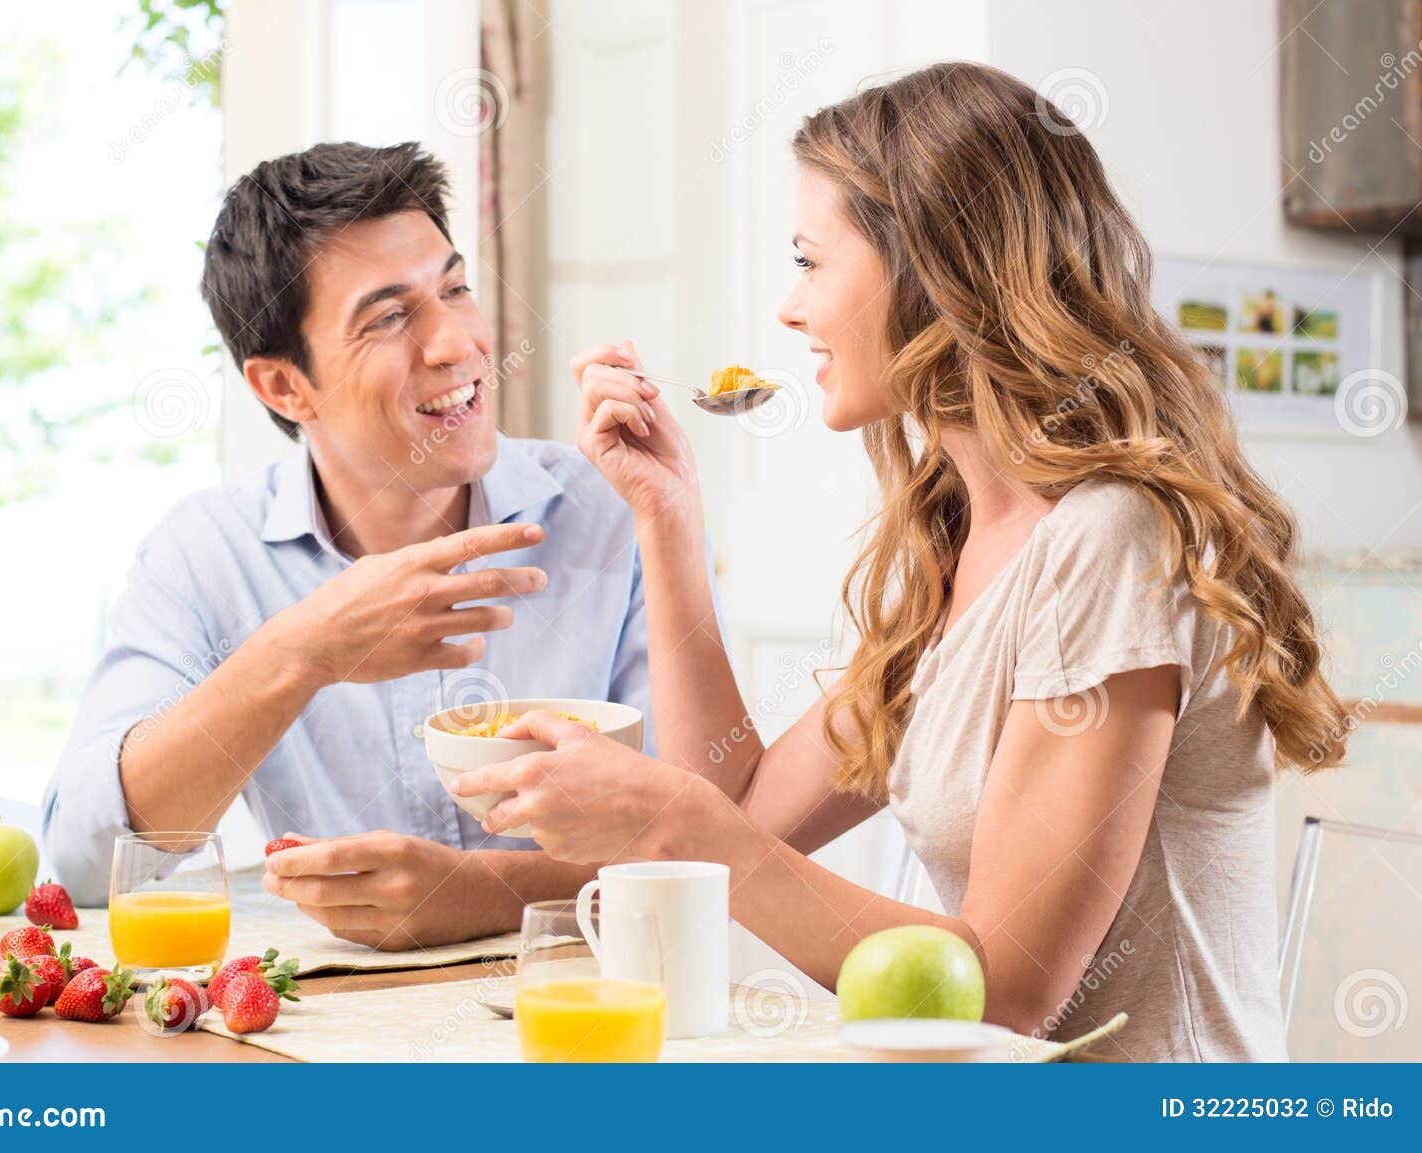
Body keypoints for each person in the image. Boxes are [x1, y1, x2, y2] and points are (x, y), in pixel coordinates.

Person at [450, 62, 1345, 1060]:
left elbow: (1002, 992)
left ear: (933, 266)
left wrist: (678, 826)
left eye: (809, 260)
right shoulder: (958, 545)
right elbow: (742, 804)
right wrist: (667, 519)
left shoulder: (1109, 537)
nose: (789, 310)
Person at [43, 142, 657, 950]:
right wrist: (304, 650)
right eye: (391, 317)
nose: (457, 343)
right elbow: (88, 861)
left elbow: (703, 839)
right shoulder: (205, 553)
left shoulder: (611, 507)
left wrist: (482, 892)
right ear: (284, 386)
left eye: (455, 288)